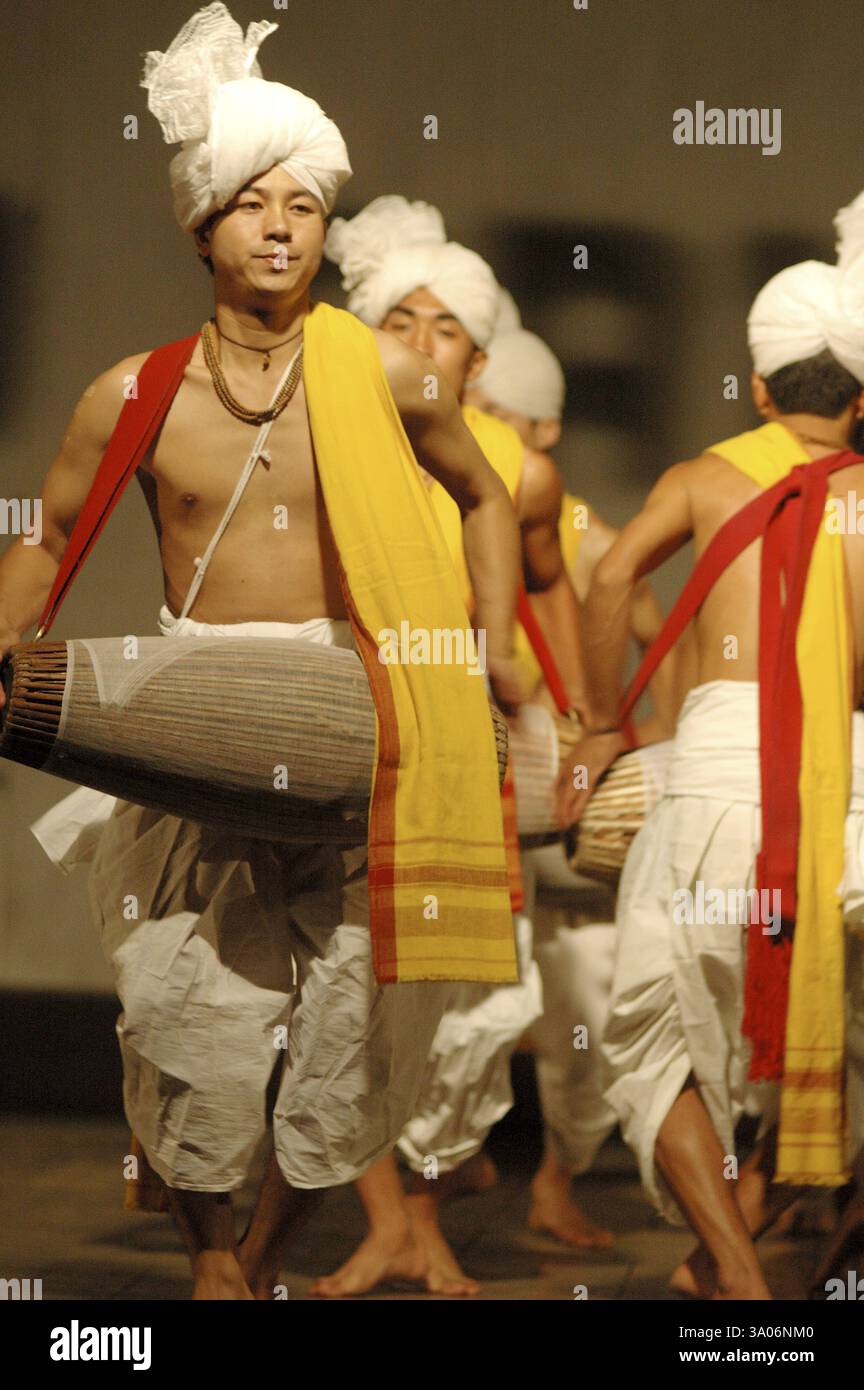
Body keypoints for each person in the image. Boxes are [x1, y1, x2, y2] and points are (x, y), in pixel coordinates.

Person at [3, 4, 525, 1300]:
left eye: (304, 201)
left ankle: (262, 1259)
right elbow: (50, 528)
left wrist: (494, 646)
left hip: (358, 722)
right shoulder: (133, 393)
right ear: (203, 223)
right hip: (194, 724)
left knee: (352, 1041)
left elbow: (488, 493)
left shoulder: (385, 375)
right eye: (252, 201)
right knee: (183, 1029)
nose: (282, 224)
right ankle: (214, 1260)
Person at [558, 187, 864, 1299]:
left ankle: (733, 1278)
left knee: (655, 1046)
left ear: (761, 385)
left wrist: (599, 727)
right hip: (846, 801)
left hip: (719, 785)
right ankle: (726, 1269)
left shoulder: (700, 476)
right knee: (825, 1069)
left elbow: (605, 578)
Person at [303, 197, 592, 1297]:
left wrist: (581, 727)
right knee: (355, 981)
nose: (424, 342)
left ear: (481, 349)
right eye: (402, 319)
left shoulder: (519, 465)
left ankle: (417, 1219)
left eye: (448, 326)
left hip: (473, 746)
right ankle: (388, 1223)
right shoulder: (337, 435)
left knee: (463, 1006)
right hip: (361, 726)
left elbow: (553, 598)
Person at [465, 322, 681, 1245]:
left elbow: (662, 669)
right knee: (457, 998)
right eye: (470, 413)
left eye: (498, 417)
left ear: (544, 433)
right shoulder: (446, 508)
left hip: (562, 799)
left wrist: (622, 755)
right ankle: (443, 1153)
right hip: (473, 792)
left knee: (589, 999)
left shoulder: (590, 538)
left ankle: (558, 1176)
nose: (475, 432)